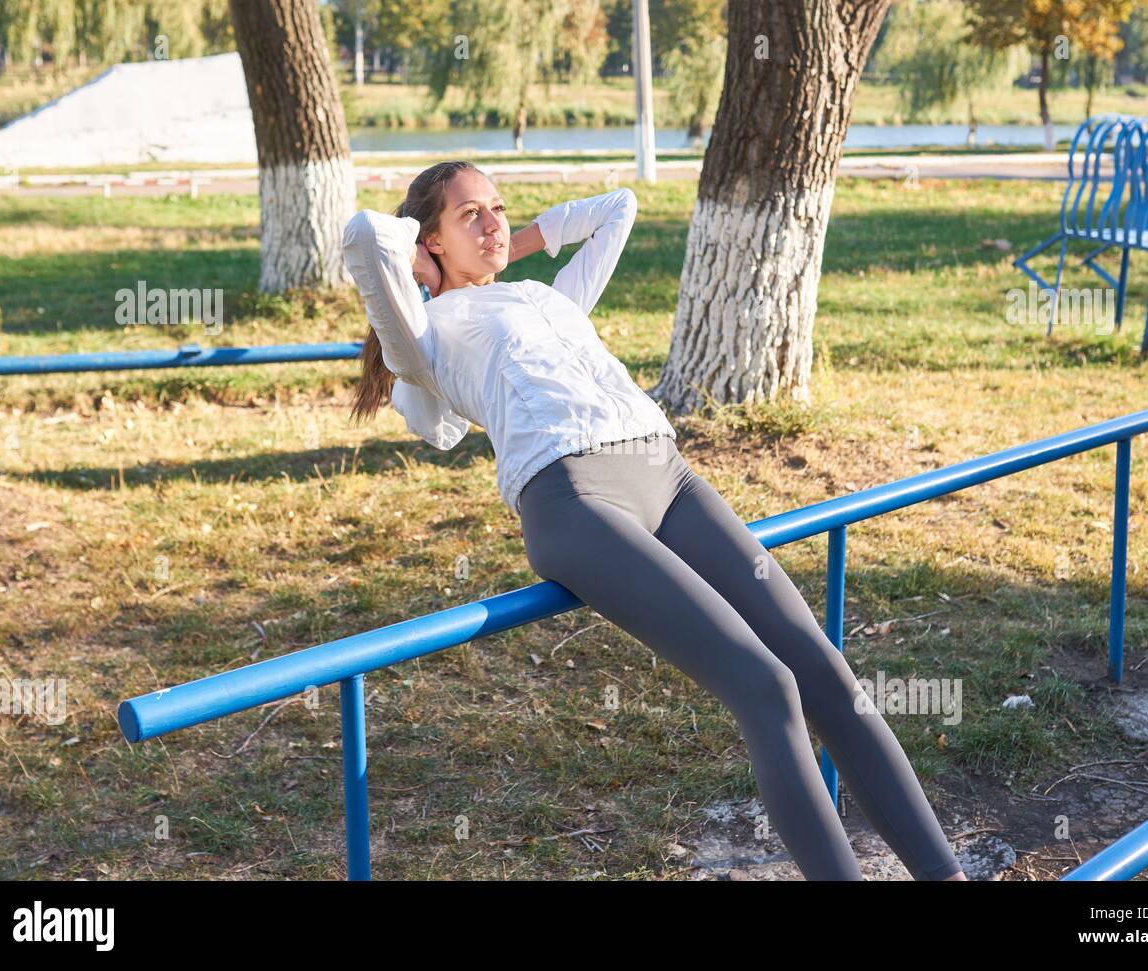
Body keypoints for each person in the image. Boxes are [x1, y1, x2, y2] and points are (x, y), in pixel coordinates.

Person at [340, 160, 967, 881]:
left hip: (669, 477)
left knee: (823, 670)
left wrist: (518, 243)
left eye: (499, 208)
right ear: (431, 240)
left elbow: (618, 208)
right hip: (575, 499)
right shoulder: (425, 336)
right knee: (765, 683)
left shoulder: (547, 296)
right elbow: (365, 236)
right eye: (469, 216)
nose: (494, 224)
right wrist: (421, 262)